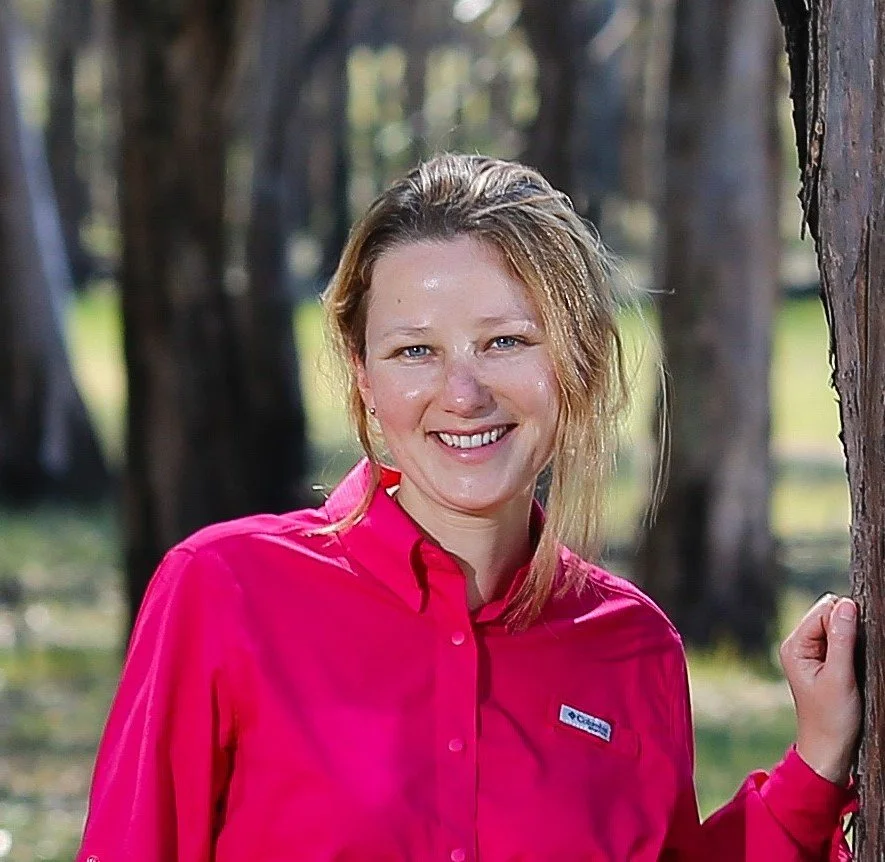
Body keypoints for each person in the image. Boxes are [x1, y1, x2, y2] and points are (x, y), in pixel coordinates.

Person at [76, 154, 860, 862]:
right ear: (363, 379)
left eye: (506, 342)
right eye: (414, 350)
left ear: (577, 357)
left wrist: (817, 760)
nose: (463, 394)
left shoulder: (632, 648)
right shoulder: (223, 591)